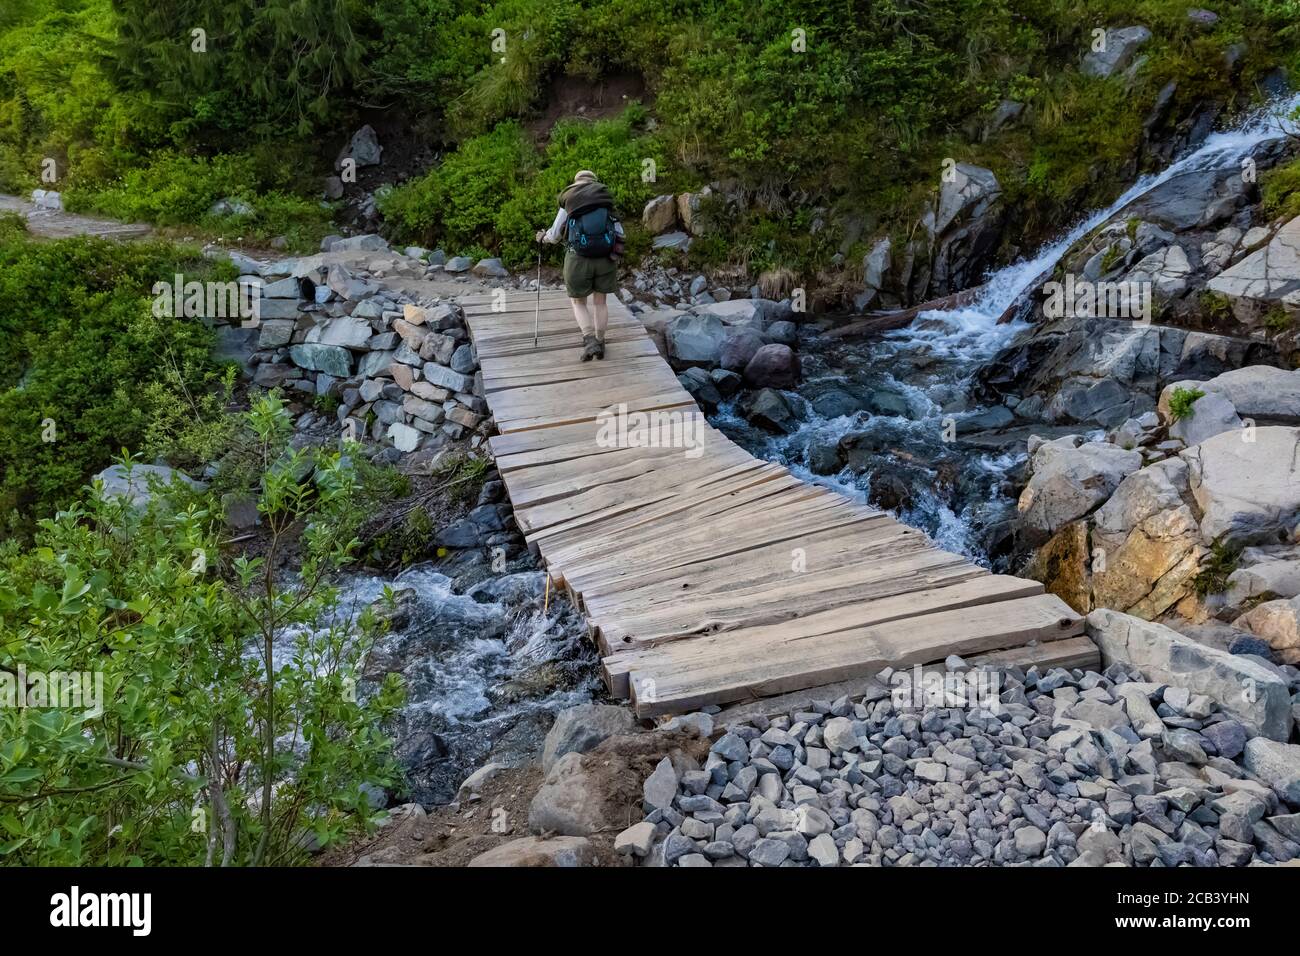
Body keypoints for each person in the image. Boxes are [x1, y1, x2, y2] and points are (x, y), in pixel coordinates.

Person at [536, 170, 624, 361]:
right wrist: (615, 255)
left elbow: (555, 235)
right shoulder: (605, 201)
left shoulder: (570, 200)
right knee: (600, 302)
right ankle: (600, 342)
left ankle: (589, 339)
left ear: (576, 182)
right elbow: (619, 232)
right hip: (605, 260)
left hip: (577, 259)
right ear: (595, 183)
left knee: (578, 302)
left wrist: (543, 237)